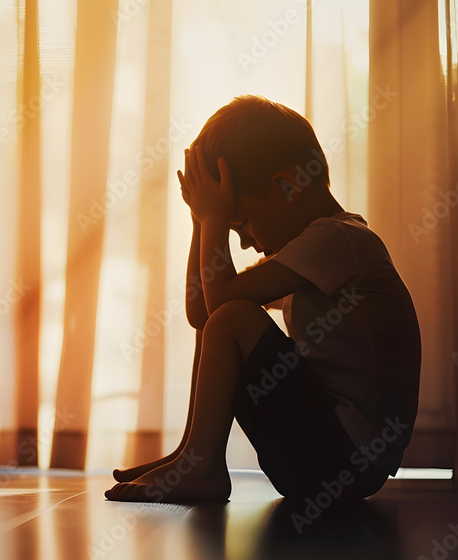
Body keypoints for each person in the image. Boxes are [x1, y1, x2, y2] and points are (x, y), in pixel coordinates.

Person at [105, 95, 421, 503]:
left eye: (242, 223)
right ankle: (191, 456)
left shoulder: (338, 239)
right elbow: (202, 312)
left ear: (288, 186)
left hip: (348, 459)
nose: (246, 242)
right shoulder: (312, 251)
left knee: (233, 316)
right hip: (330, 457)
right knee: (224, 318)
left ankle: (203, 467)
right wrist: (202, 221)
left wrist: (214, 218)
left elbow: (221, 308)